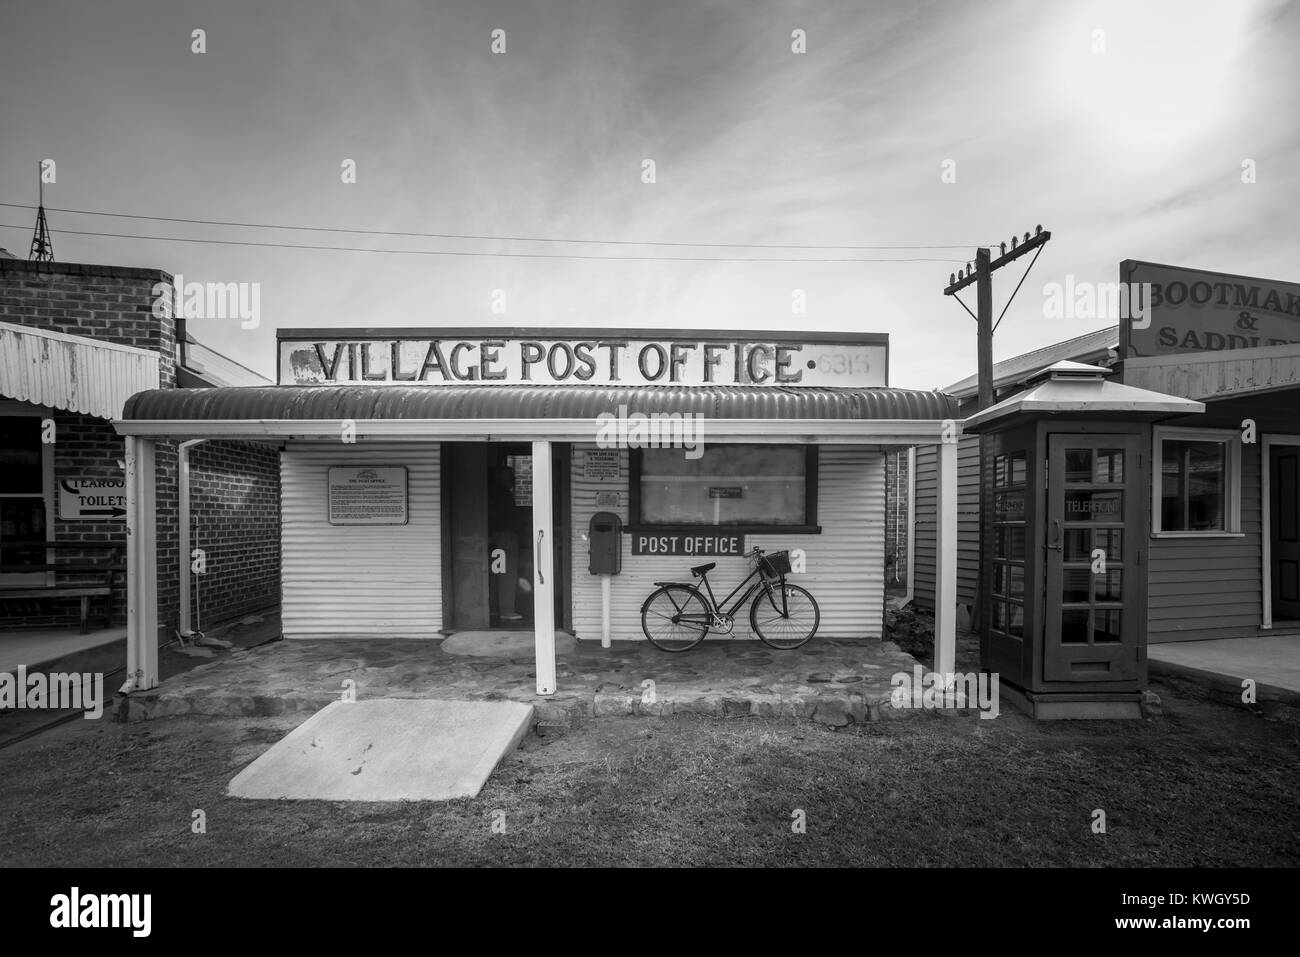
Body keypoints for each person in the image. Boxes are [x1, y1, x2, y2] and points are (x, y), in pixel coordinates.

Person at [488, 466, 525, 621]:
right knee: (507, 573)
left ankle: (495, 608)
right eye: (510, 476)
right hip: (506, 536)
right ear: (502, 478)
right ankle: (507, 610)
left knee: (497, 573)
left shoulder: (492, 494)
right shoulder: (503, 496)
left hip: (497, 536)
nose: (514, 480)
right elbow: (509, 518)